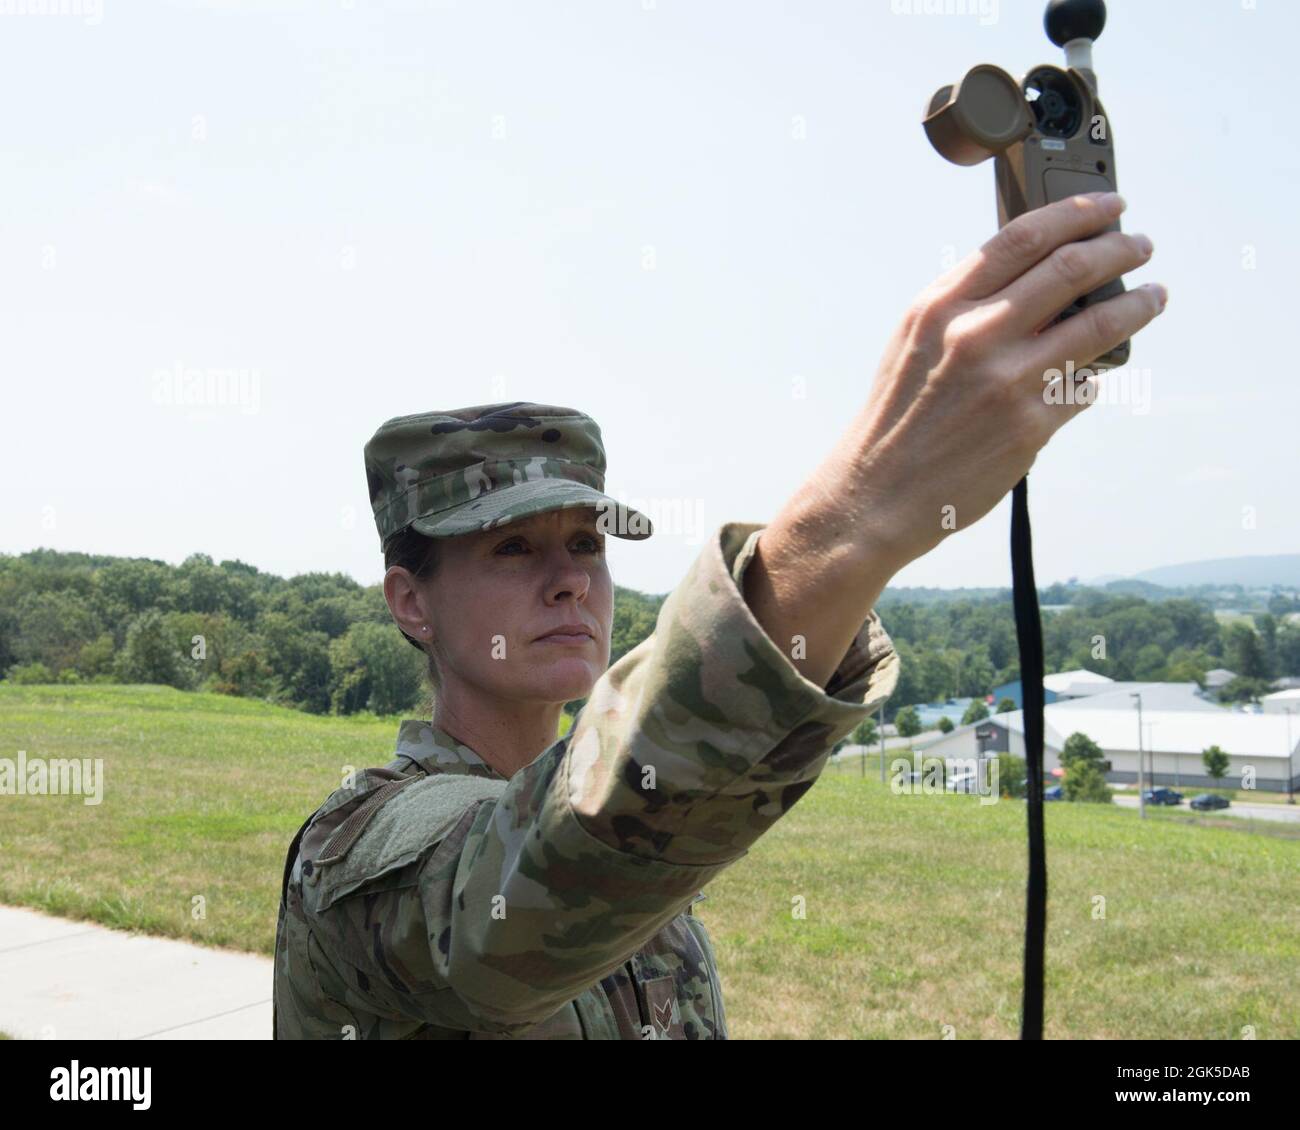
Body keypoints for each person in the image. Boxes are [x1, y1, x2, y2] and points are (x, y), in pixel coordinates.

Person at [272, 191, 1164, 1038]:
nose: (568, 581)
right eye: (511, 548)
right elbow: (532, 881)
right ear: (411, 602)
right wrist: (856, 518)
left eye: (586, 545)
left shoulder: (639, 845)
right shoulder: (353, 853)